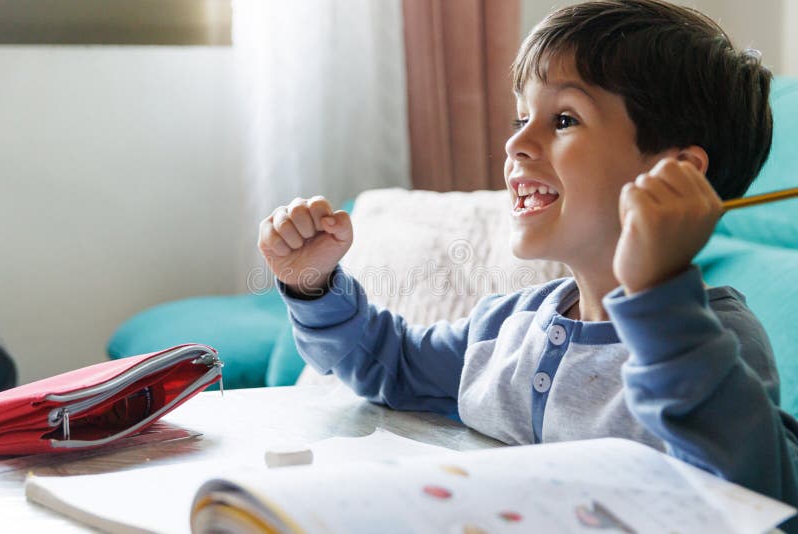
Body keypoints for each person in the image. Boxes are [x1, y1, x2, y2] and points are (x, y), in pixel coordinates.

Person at [258, 0, 798, 524]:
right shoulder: (508, 329)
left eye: (564, 119)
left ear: (677, 176)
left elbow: (752, 495)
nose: (516, 141)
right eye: (521, 117)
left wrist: (656, 290)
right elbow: (388, 363)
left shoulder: (712, 344)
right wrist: (312, 284)